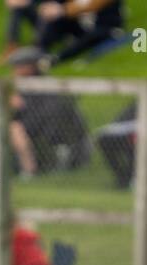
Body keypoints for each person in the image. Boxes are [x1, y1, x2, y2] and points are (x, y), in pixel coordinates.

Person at [6, 46, 90, 177]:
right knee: (12, 127)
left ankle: (28, 170)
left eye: (19, 66)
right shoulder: (17, 86)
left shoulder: (47, 85)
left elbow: (48, 113)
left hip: (47, 128)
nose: (15, 70)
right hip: (25, 125)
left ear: (31, 67)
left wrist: (22, 106)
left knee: (15, 128)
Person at [35, 0, 126, 67]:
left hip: (107, 27)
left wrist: (61, 10)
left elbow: (92, 5)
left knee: (91, 36)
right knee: (55, 19)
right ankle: (39, 50)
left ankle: (57, 58)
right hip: (86, 25)